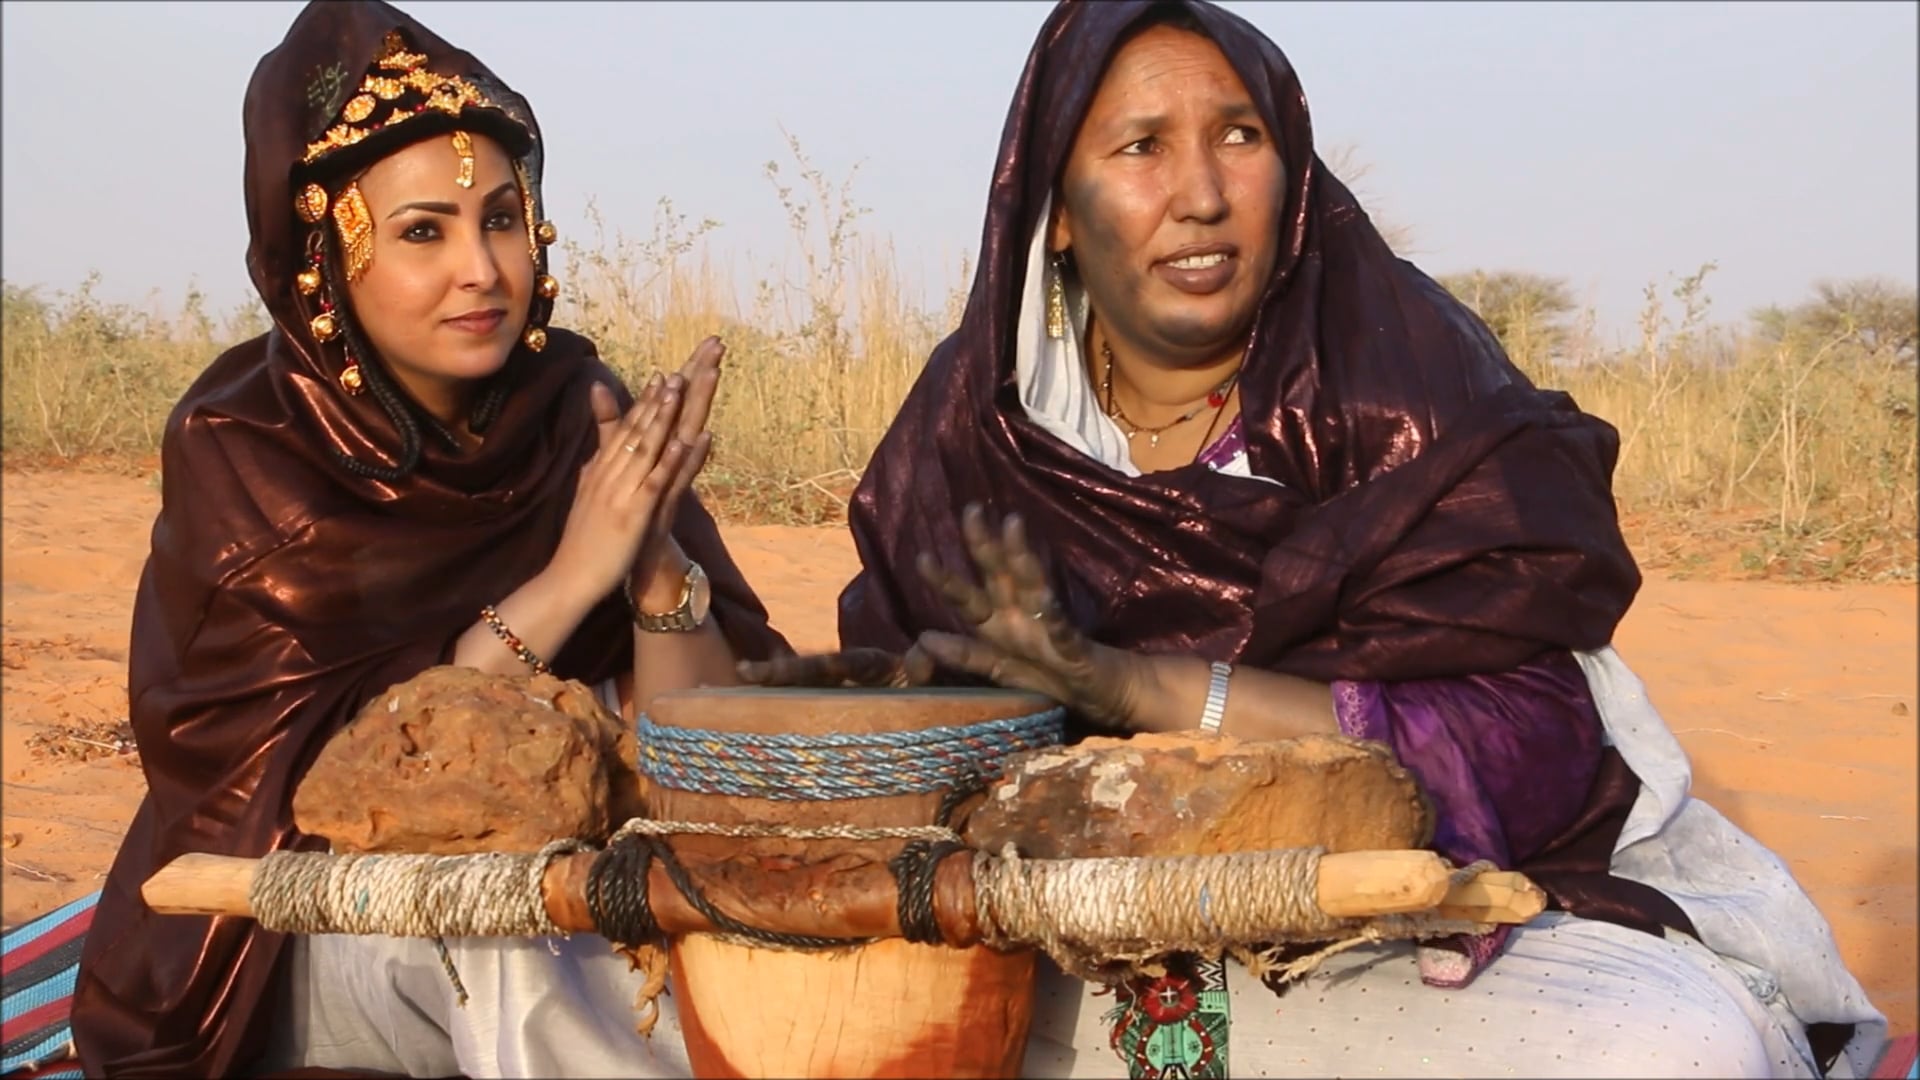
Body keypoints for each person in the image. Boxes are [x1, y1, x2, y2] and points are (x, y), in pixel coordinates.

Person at [742, 1, 1891, 1077]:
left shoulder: (1406, 379)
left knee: (1668, 1046)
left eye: (1237, 136)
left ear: (1290, 177)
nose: (1199, 193)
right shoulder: (977, 420)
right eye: (1139, 147)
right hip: (1069, 924)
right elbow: (912, 722)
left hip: (1435, 898)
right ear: (1052, 213)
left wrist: (1131, 682)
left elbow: (1520, 742)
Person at [68, 2, 792, 1076]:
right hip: (286, 936)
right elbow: (352, 790)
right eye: (423, 232)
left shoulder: (572, 407)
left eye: (501, 218)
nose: (484, 270)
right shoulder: (245, 450)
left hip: (569, 895)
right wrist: (572, 575)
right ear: (327, 261)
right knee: (498, 920)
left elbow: (714, 756)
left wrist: (649, 566)